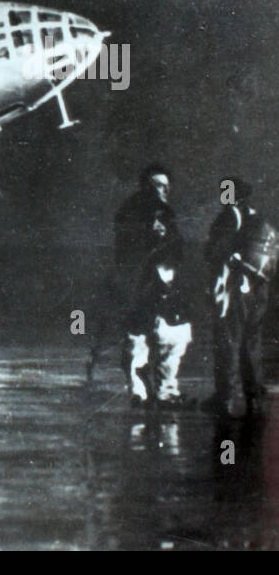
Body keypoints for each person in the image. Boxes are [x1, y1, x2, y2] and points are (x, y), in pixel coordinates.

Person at [109, 164, 183, 404]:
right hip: (138, 280)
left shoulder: (166, 214)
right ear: (145, 187)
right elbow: (125, 247)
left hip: (164, 281)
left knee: (170, 336)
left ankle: (166, 391)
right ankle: (138, 390)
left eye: (165, 186)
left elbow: (175, 247)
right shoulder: (130, 212)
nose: (162, 190)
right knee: (137, 336)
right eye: (157, 185)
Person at [205, 177, 276, 418]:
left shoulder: (229, 216)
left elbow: (217, 251)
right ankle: (254, 397)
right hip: (258, 288)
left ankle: (225, 398)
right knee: (251, 342)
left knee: (228, 340)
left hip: (235, 287)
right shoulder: (257, 218)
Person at [125, 245, 192, 405]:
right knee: (162, 356)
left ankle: (145, 391)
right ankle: (159, 391)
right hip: (163, 320)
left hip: (158, 319)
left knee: (140, 351)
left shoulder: (154, 270)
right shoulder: (164, 272)